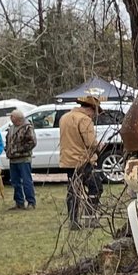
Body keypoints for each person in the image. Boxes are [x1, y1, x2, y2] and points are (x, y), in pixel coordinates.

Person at [58, 93, 102, 225]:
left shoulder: (64, 117)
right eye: (95, 113)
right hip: (83, 160)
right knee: (96, 188)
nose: (94, 116)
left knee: (73, 190)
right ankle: (90, 218)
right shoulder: (84, 120)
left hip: (68, 160)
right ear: (91, 109)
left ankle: (73, 220)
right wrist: (99, 146)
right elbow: (90, 143)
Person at [4, 108, 37, 210]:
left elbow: (32, 142)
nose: (11, 118)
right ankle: (19, 202)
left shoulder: (27, 127)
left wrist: (19, 150)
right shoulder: (11, 128)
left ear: (18, 118)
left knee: (27, 181)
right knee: (15, 181)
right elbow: (8, 141)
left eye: (12, 117)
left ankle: (31, 202)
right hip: (13, 159)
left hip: (24, 159)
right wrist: (7, 149)